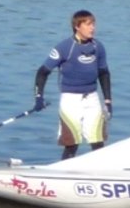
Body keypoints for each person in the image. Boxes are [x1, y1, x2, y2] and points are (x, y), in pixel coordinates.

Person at [33, 9, 111, 160]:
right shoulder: (64, 47)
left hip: (92, 99)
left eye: (93, 24)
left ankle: (99, 175)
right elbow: (42, 72)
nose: (92, 28)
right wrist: (38, 97)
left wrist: (108, 101)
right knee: (72, 144)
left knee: (98, 143)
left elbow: (104, 73)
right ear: (77, 26)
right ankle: (64, 174)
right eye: (88, 24)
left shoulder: (98, 47)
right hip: (70, 100)